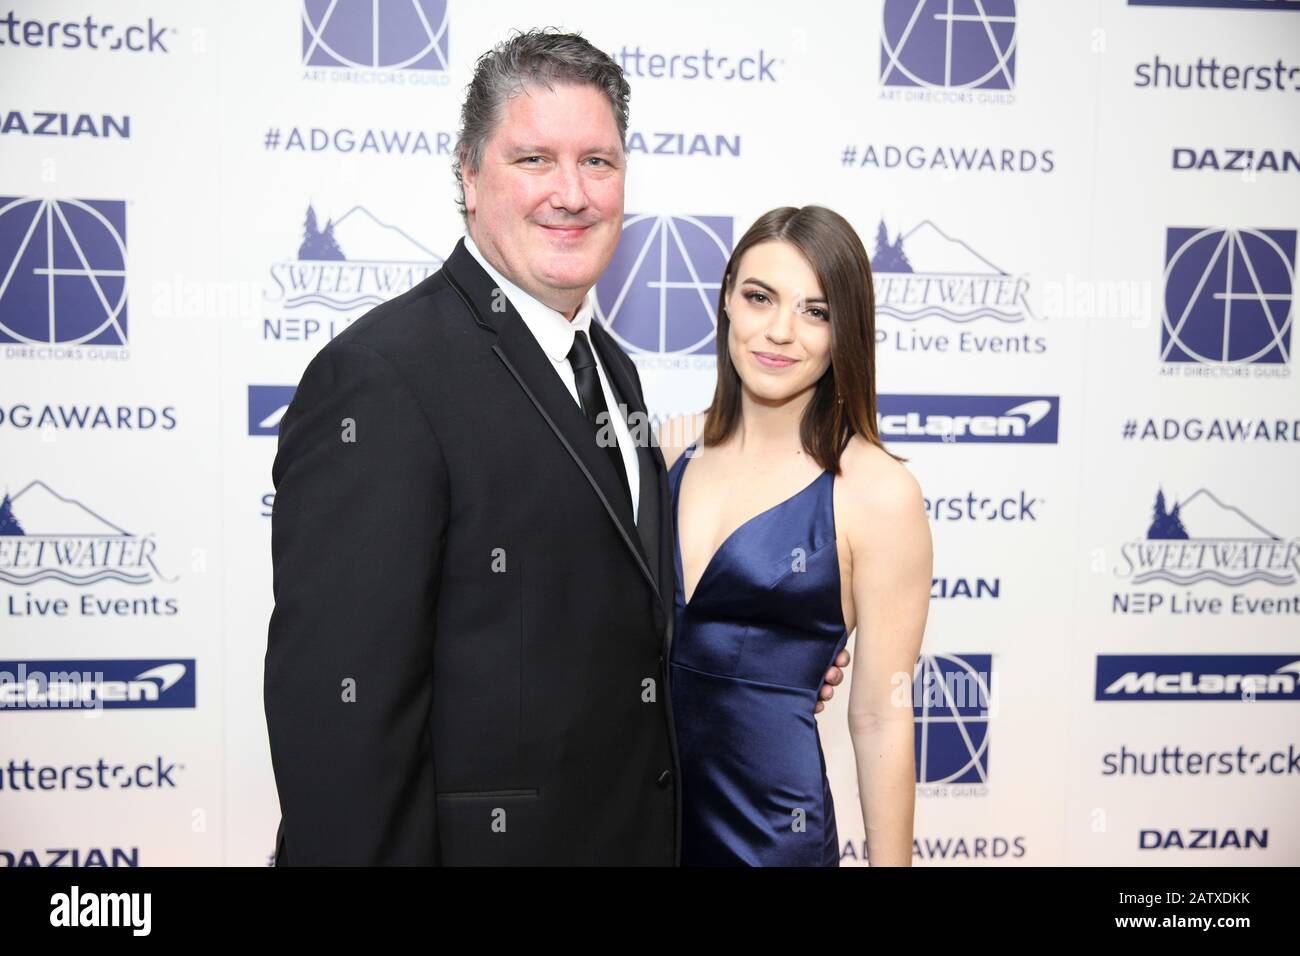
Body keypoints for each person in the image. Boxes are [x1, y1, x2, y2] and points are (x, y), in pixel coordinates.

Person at [263, 30, 847, 866]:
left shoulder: (613, 370)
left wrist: (759, 650)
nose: (572, 194)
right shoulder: (380, 379)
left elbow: (616, 611)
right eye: (534, 159)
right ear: (468, 175)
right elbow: (339, 724)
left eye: (599, 162)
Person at [656, 206, 932, 866]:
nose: (780, 331)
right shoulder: (665, 449)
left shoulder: (875, 491)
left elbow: (880, 717)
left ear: (846, 332)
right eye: (759, 298)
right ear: (726, 300)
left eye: (816, 311)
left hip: (770, 838)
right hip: (642, 822)